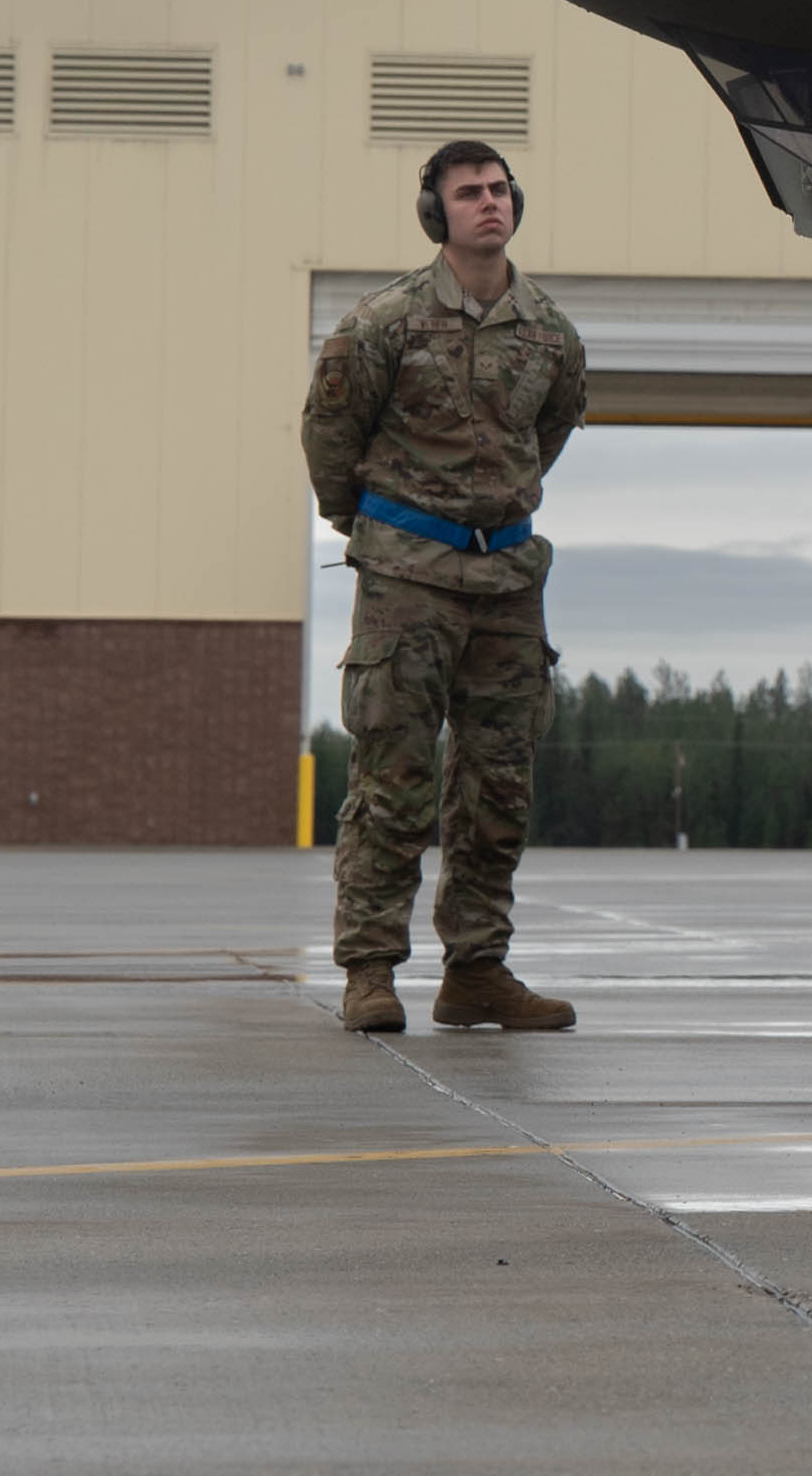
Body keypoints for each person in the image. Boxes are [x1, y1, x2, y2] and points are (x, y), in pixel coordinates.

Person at [302, 139, 591, 1032]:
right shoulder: (382, 322)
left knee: (498, 786)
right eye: (468, 193)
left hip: (506, 577)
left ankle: (478, 970)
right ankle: (370, 972)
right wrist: (377, 528)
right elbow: (329, 436)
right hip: (407, 582)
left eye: (499, 190)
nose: (488, 204)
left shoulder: (548, 329)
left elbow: (552, 427)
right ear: (436, 213)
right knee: (393, 775)